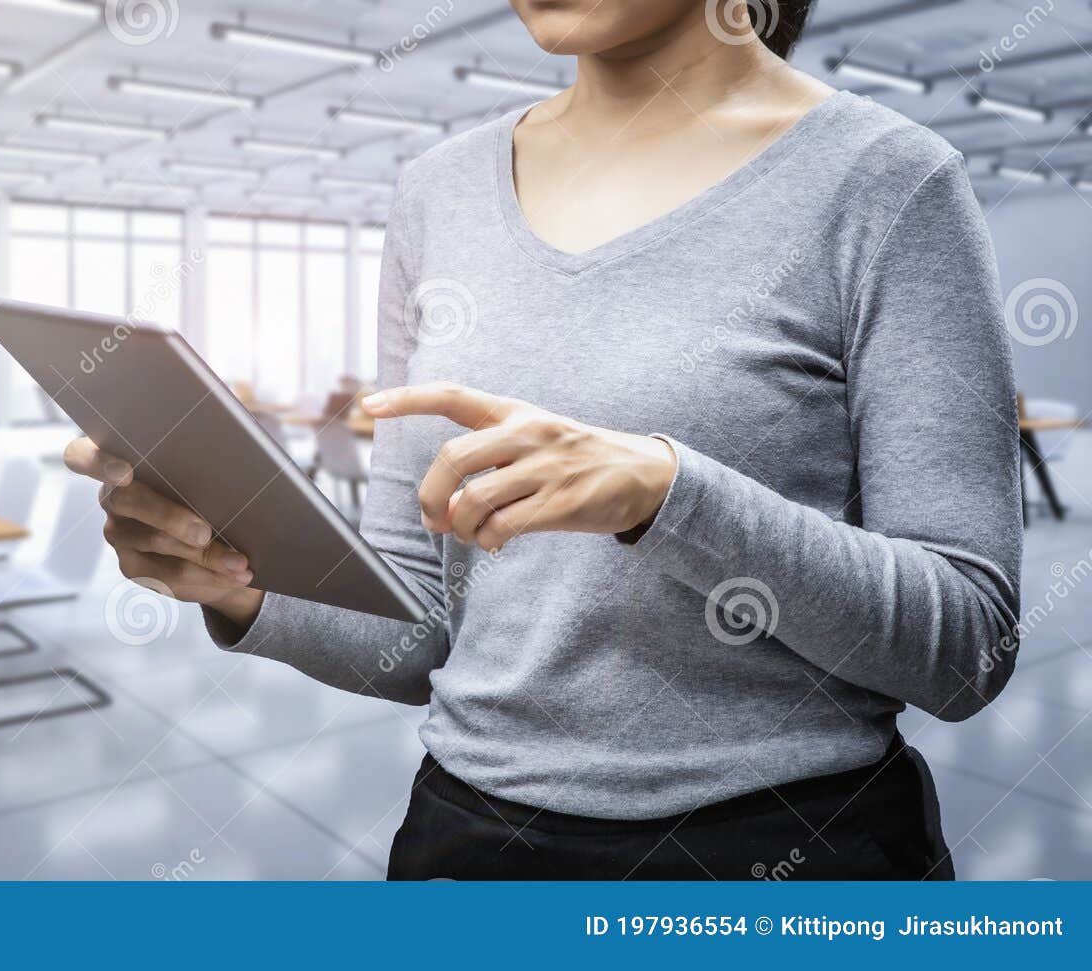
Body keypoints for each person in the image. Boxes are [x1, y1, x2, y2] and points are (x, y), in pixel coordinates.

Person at [64, 0, 1021, 879]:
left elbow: (969, 647)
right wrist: (237, 582)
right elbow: (418, 631)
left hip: (787, 849)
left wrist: (668, 495)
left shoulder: (887, 182)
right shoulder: (437, 193)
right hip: (467, 838)